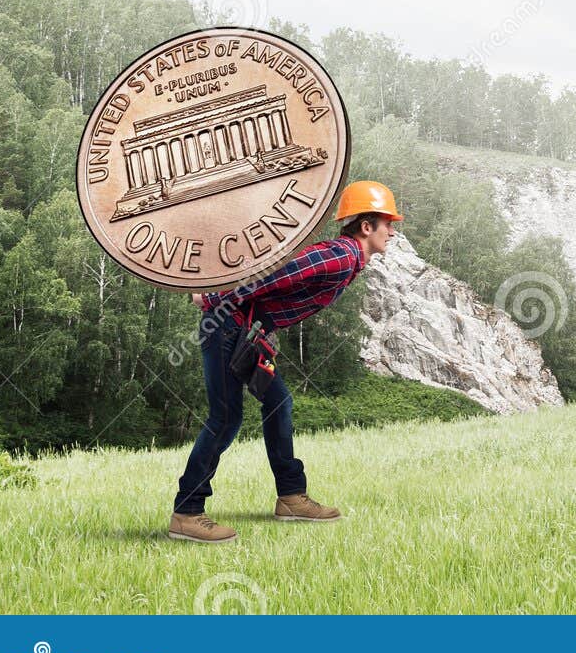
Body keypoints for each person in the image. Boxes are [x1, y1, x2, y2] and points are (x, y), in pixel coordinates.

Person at [167, 180, 403, 544]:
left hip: (244, 331)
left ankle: (291, 497)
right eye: (388, 223)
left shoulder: (350, 260)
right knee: (225, 418)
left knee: (279, 402)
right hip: (227, 326)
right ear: (367, 226)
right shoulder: (341, 256)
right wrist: (216, 297)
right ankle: (187, 512)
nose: (393, 230)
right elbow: (277, 274)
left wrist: (264, 331)